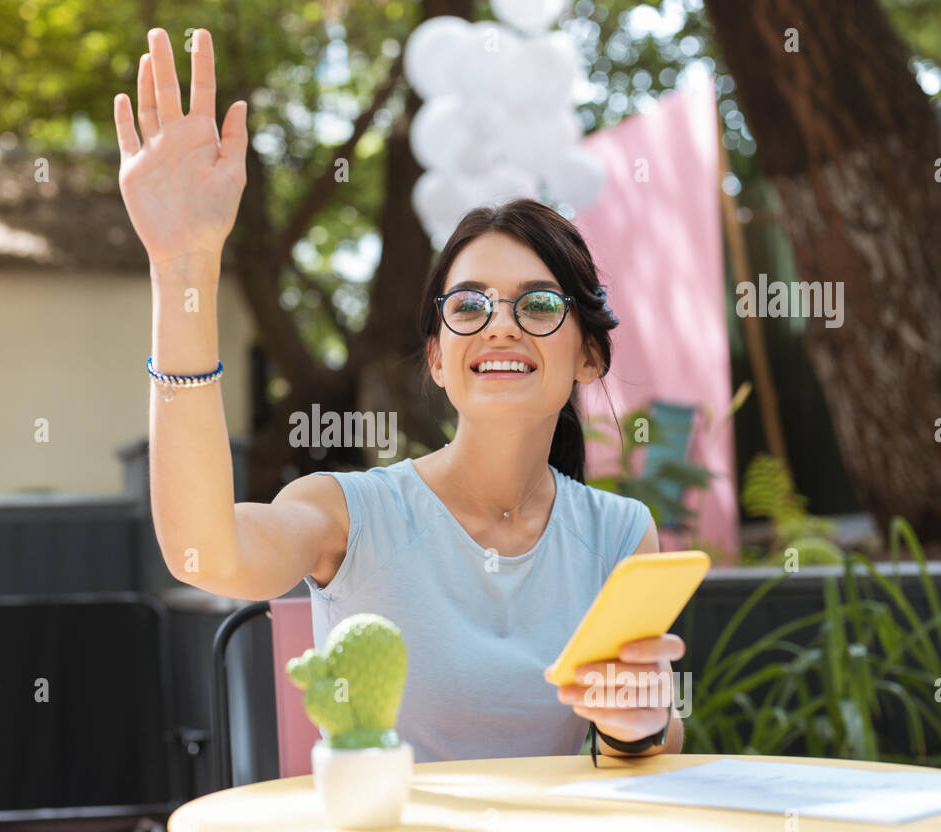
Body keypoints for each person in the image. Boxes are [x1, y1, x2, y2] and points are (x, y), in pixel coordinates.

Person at [114, 26, 684, 763]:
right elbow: (202, 554)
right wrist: (181, 266)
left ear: (589, 356)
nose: (501, 327)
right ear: (439, 359)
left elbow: (641, 757)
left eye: (538, 306)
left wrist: (635, 728)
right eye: (469, 307)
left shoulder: (619, 533)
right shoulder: (346, 516)